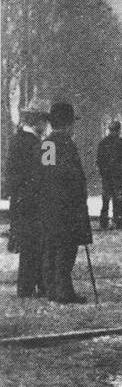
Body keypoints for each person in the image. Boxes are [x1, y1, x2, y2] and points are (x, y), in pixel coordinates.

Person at [34, 102, 93, 303]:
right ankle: (63, 293)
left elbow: (46, 175)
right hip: (65, 208)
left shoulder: (48, 144)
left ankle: (53, 290)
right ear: (68, 124)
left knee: (52, 248)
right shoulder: (64, 143)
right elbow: (61, 176)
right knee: (66, 249)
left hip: (50, 207)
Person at [5, 102, 48, 297]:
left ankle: (31, 285)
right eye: (44, 121)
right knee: (34, 244)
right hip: (32, 201)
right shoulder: (35, 143)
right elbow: (42, 173)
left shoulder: (19, 140)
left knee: (32, 244)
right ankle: (30, 287)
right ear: (37, 122)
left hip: (23, 200)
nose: (46, 125)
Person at [95, 120, 122, 229]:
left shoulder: (103, 143)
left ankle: (104, 221)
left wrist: (104, 172)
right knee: (119, 200)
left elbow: (99, 160)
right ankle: (118, 220)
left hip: (107, 176)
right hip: (118, 176)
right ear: (119, 130)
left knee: (106, 200)